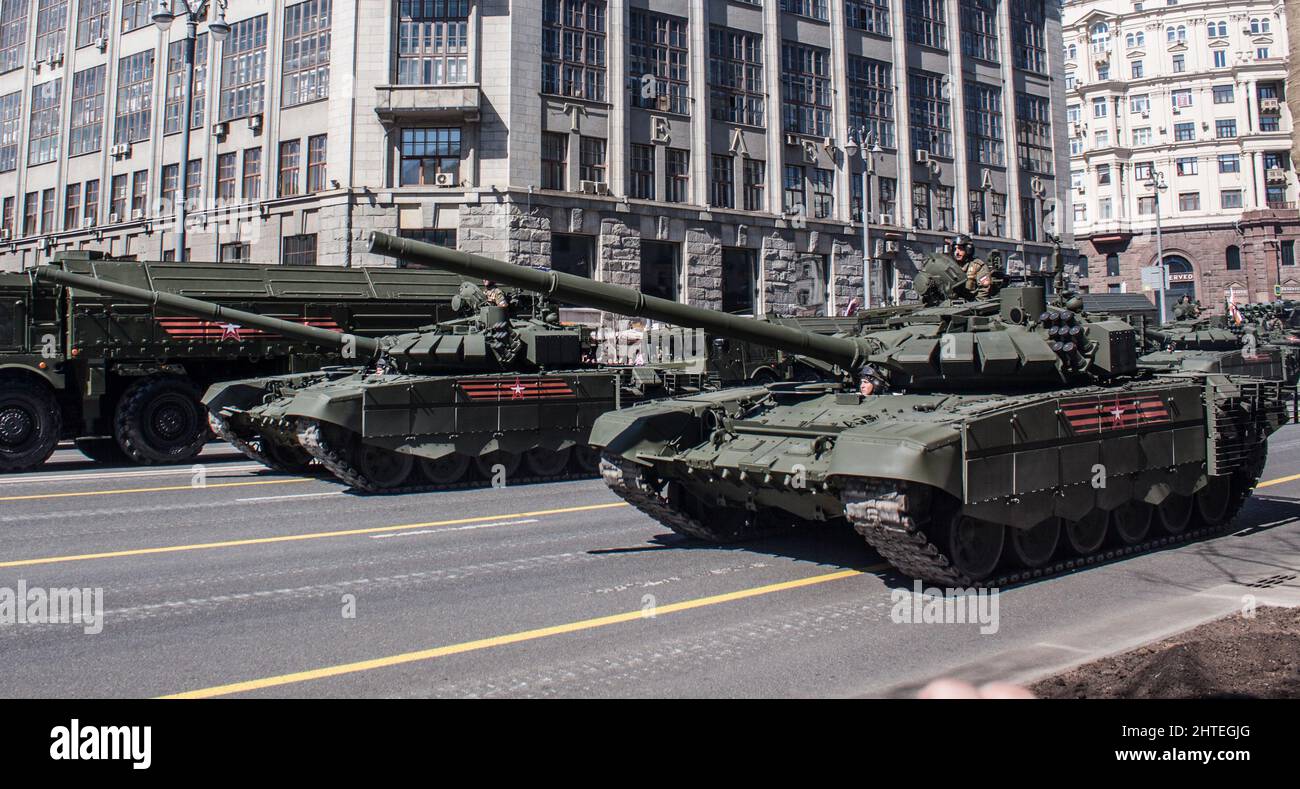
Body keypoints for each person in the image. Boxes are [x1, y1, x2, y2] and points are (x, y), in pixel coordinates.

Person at [952, 234, 993, 299]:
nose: (956, 252)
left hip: (971, 304)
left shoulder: (977, 266)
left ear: (968, 249)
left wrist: (974, 305)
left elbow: (984, 290)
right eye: (955, 249)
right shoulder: (951, 265)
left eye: (960, 249)